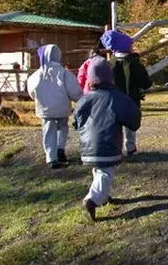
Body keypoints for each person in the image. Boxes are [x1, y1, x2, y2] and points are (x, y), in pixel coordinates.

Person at [73, 57, 139, 221]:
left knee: (99, 170)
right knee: (105, 172)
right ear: (111, 77)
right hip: (108, 143)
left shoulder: (84, 99)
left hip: (88, 145)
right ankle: (93, 199)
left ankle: (104, 195)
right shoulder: (116, 97)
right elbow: (133, 118)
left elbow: (76, 122)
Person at [27, 44, 83, 168]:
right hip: (62, 108)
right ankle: (60, 148)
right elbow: (75, 93)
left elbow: (32, 93)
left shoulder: (36, 75)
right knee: (63, 127)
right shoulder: (64, 74)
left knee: (48, 131)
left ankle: (51, 158)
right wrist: (81, 99)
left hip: (45, 109)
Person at [101, 29, 152, 156]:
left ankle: (116, 147)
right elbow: (145, 82)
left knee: (115, 124)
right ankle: (130, 147)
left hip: (113, 99)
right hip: (131, 99)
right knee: (130, 125)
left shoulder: (109, 63)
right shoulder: (134, 63)